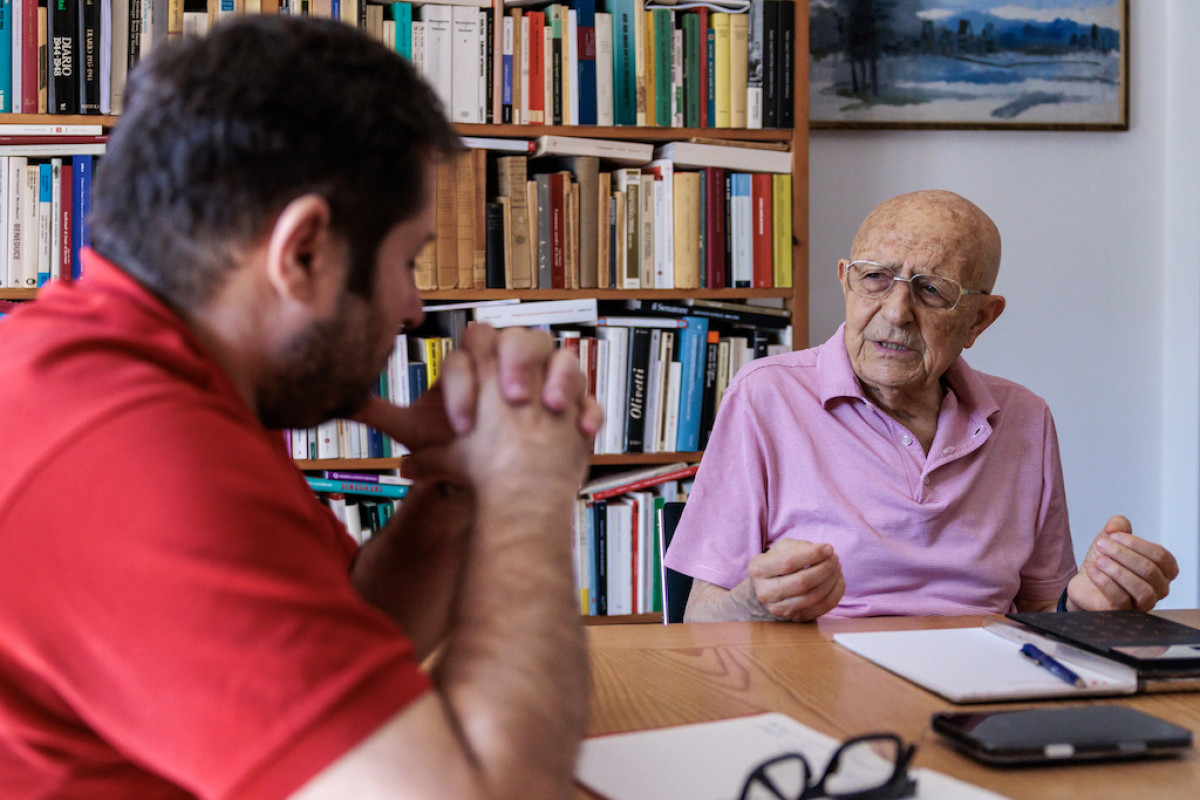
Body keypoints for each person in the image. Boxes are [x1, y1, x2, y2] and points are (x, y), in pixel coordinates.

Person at [0, 17, 603, 800]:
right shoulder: (127, 452)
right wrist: (531, 489)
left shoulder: (132, 374)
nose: (414, 308)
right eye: (407, 260)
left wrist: (461, 491)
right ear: (305, 252)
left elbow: (342, 637)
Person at [665, 190, 1179, 623]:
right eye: (875, 278)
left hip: (981, 691)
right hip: (822, 688)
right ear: (846, 279)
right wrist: (757, 603)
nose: (896, 311)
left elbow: (1043, 608)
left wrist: (1087, 606)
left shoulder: (1025, 419)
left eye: (932, 290)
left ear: (980, 320)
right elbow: (701, 616)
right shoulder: (766, 396)